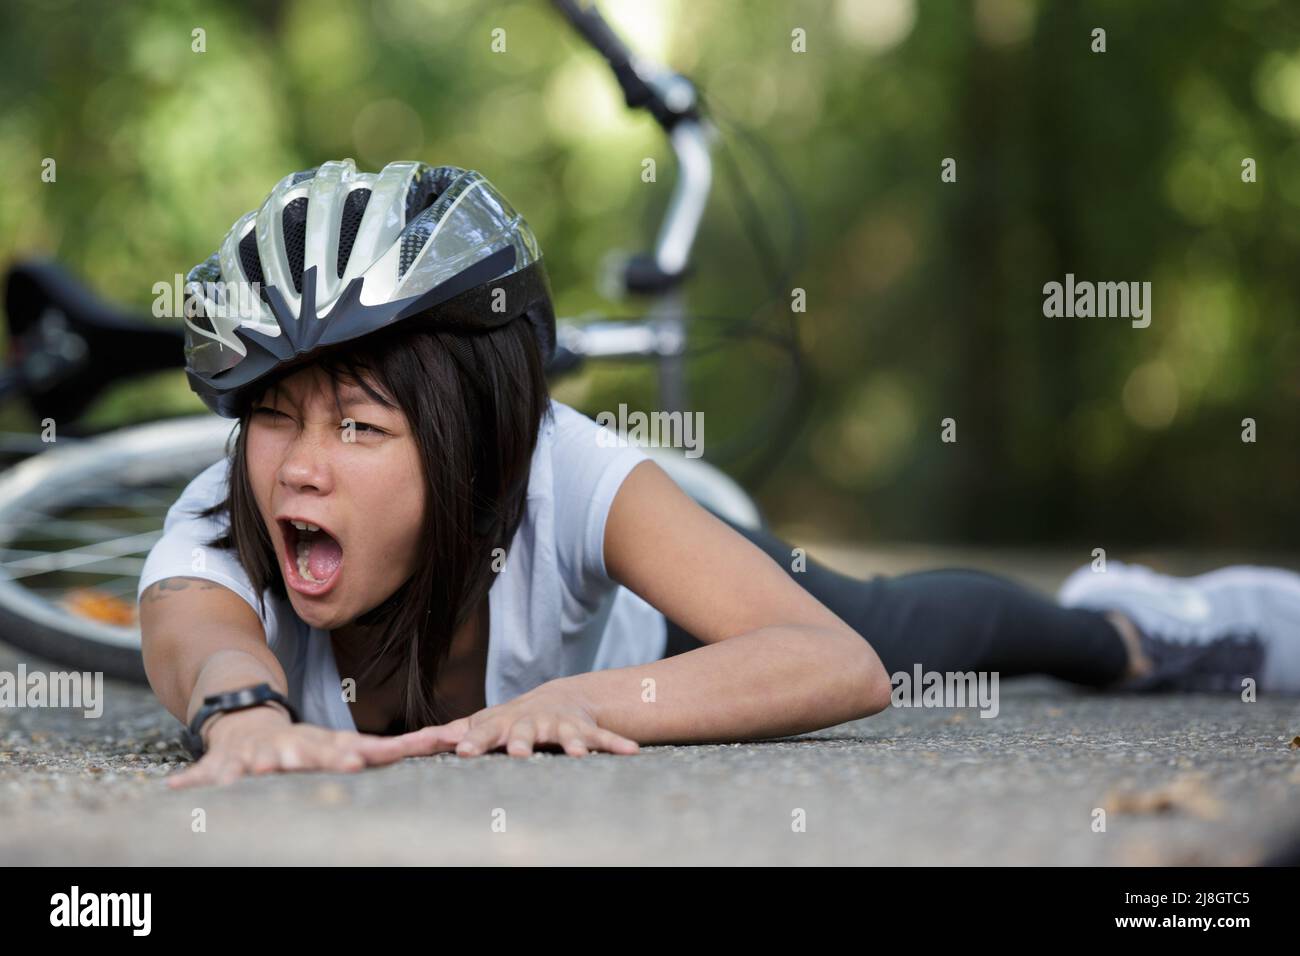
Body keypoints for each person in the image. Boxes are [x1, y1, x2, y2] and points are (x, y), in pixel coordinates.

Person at [138, 159, 1300, 790]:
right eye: (275, 418)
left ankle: (1137, 631)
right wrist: (240, 717)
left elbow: (834, 664)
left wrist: (588, 700)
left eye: (356, 427)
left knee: (898, 620)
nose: (297, 466)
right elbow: (200, 633)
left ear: (476, 443)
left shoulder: (563, 470)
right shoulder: (226, 513)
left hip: (664, 643)